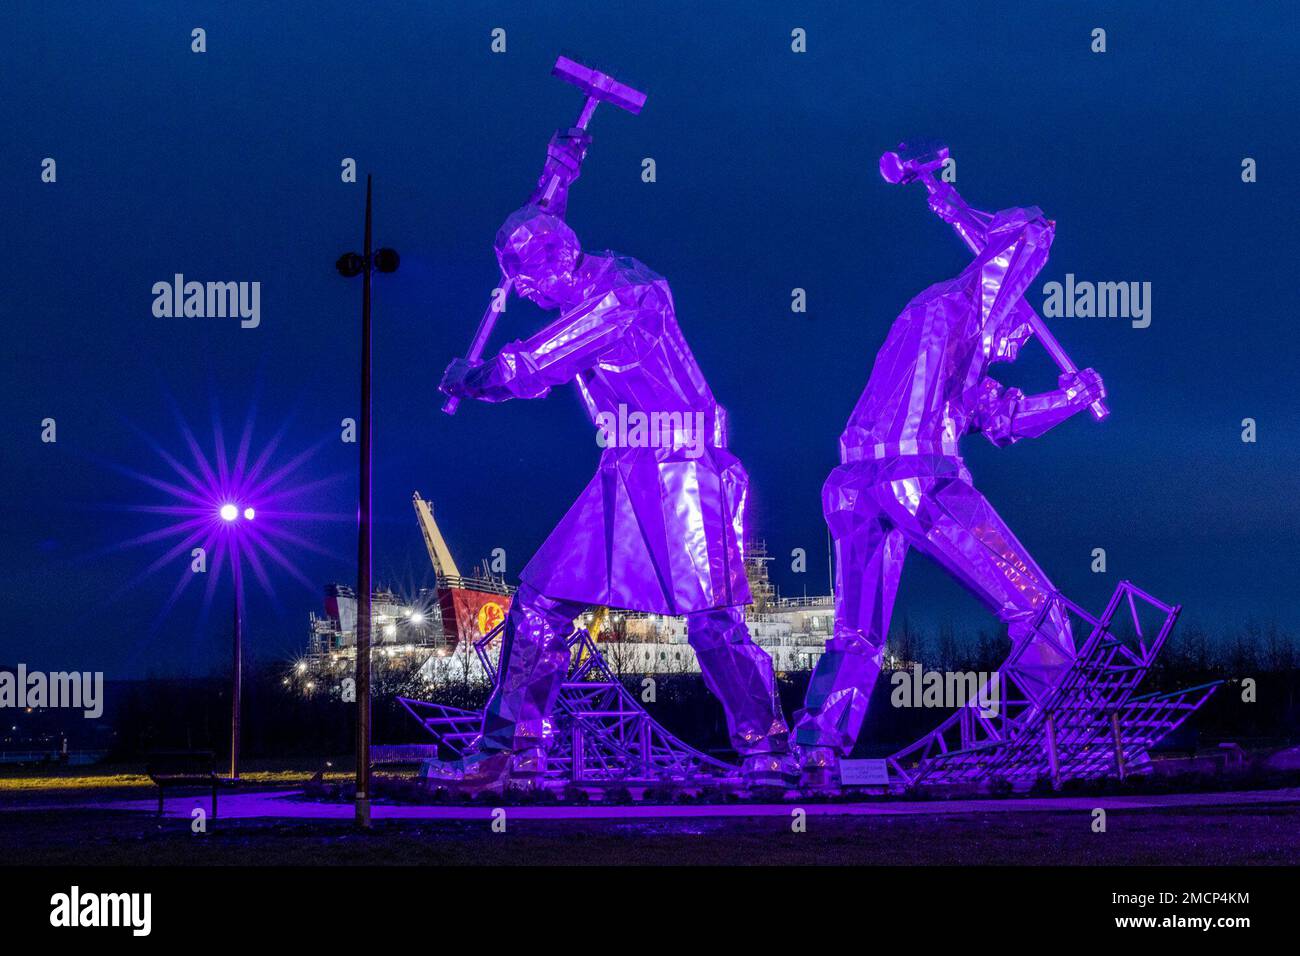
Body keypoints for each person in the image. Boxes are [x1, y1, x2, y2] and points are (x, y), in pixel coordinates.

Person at [440, 129, 793, 788]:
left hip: (685, 465)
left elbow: (538, 363)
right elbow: (549, 228)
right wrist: (557, 176)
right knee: (541, 603)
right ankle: (513, 746)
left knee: (712, 619)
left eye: (524, 281)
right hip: (627, 466)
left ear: (550, 265)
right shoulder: (579, 274)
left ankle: (771, 748)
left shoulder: (620, 295)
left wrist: (475, 377)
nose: (521, 293)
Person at [792, 184, 1106, 785]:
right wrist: (1021, 228)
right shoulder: (960, 309)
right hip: (919, 475)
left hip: (853, 486)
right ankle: (1061, 739)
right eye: (1019, 324)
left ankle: (818, 747)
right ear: (1004, 296)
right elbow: (1024, 238)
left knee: (856, 632)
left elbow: (1003, 419)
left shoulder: (955, 345)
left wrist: (1068, 400)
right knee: (1036, 606)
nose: (1019, 342)